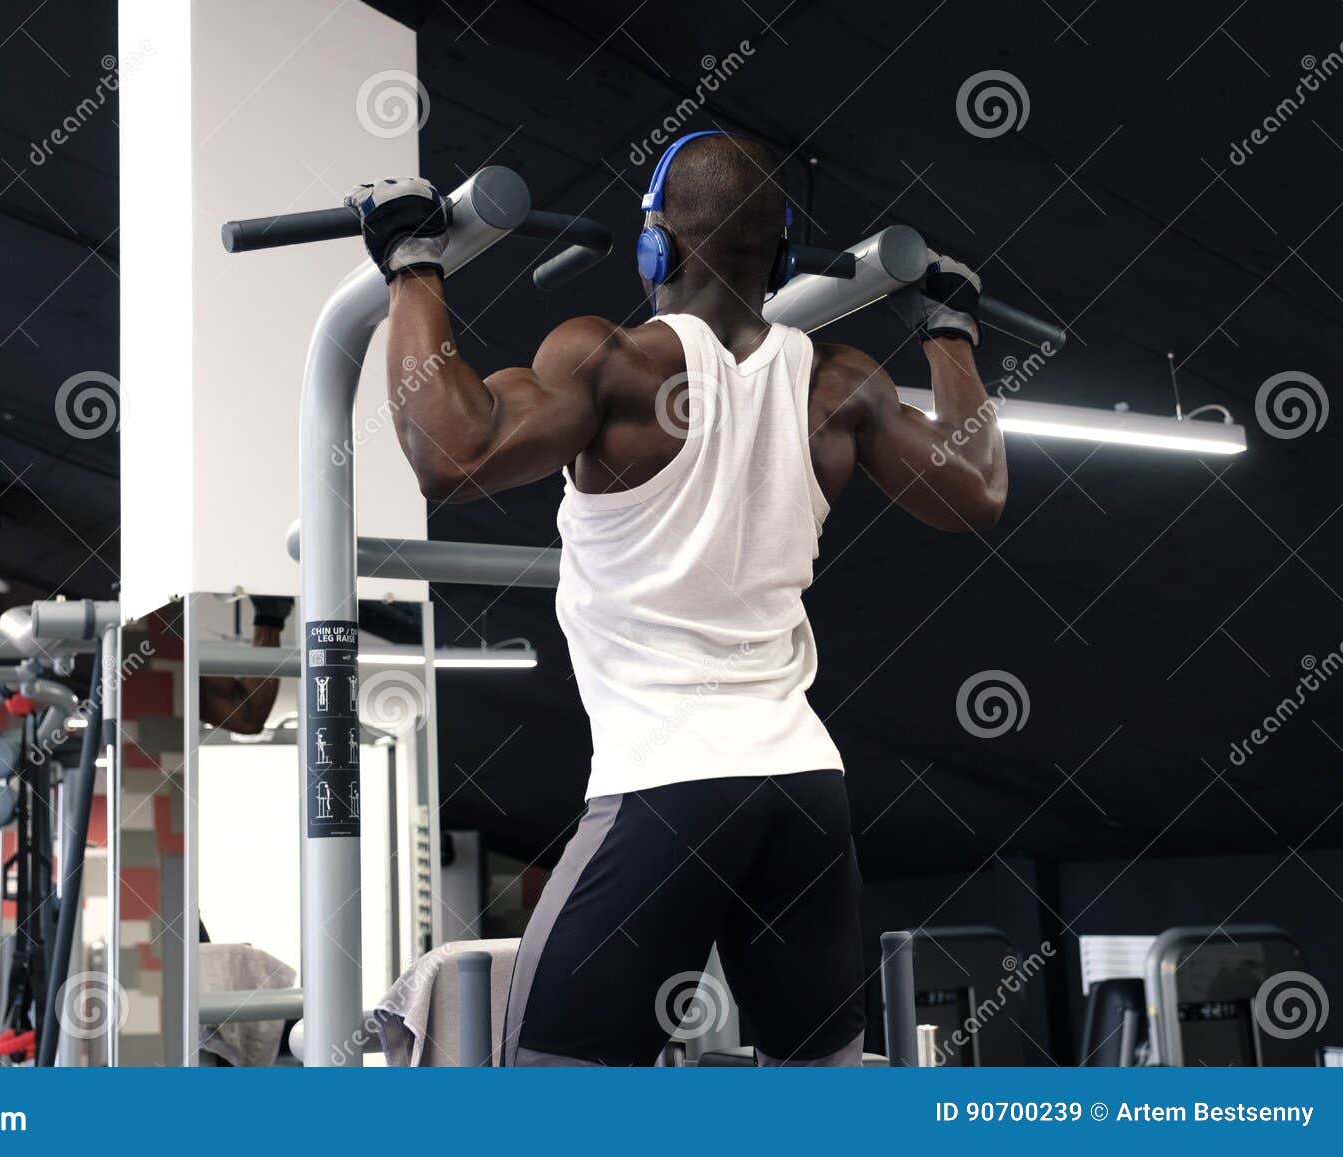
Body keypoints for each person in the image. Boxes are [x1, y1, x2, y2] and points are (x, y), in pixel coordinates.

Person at [343, 132, 1007, 1066]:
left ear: (657, 246)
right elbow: (976, 486)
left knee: (546, 1092)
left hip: (668, 789)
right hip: (806, 795)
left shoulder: (612, 362)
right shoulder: (838, 384)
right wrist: (950, 331)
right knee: (820, 1094)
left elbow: (451, 450)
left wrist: (412, 265)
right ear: (780, 258)